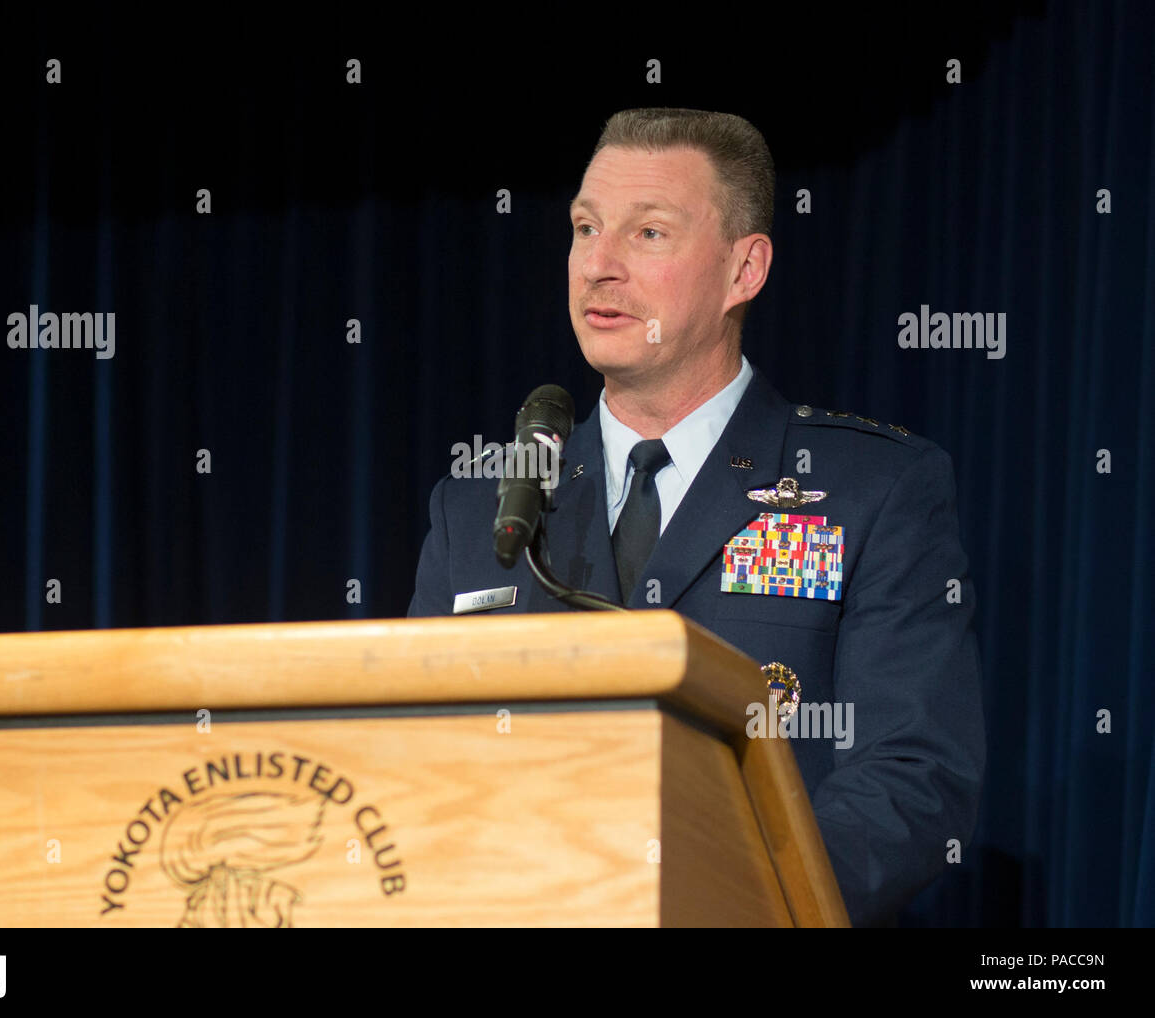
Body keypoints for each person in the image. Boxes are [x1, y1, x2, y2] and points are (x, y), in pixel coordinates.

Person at [408, 107, 985, 927]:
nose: (597, 266)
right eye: (584, 227)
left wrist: (721, 902)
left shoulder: (874, 489)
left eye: (648, 234)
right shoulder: (480, 510)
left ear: (743, 271)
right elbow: (420, 763)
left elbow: (912, 780)